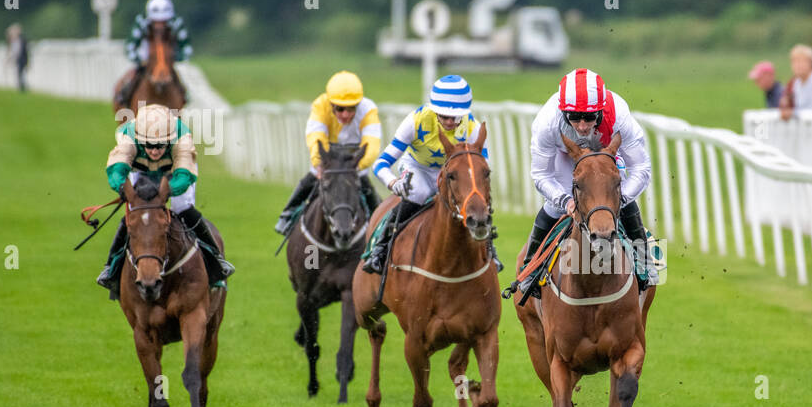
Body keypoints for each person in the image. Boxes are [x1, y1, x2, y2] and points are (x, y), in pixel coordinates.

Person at [510, 68, 658, 303]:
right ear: (563, 112)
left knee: (615, 195)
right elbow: (541, 174)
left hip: (605, 152)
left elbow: (641, 169)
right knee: (556, 207)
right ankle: (530, 268)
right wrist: (565, 201)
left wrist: (617, 198)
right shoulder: (547, 123)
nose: (581, 125)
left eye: (589, 117)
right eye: (574, 117)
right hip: (565, 155)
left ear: (601, 111)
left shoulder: (619, 116)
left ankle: (646, 262)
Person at [364, 74, 502, 274]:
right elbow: (381, 163)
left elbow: (483, 166)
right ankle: (380, 248)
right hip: (416, 167)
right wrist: (393, 183)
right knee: (418, 193)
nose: (448, 121)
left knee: (476, 199)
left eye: (454, 117)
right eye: (443, 116)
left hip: (450, 172)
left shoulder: (471, 126)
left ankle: (490, 248)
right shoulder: (415, 121)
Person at [97, 104, 234, 298]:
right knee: (135, 213)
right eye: (149, 145)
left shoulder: (182, 138)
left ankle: (215, 261)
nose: (154, 151)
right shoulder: (128, 138)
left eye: (160, 145)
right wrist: (121, 187)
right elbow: (116, 170)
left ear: (169, 140)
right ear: (139, 139)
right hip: (141, 171)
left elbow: (184, 176)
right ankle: (111, 268)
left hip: (174, 172)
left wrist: (166, 192)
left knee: (183, 207)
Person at [274, 70, 382, 234]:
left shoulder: (368, 109)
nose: (345, 114)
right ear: (331, 104)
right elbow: (315, 137)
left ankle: (382, 226)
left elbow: (372, 144)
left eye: (351, 108)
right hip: (328, 162)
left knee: (368, 189)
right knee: (308, 181)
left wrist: (357, 166)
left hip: (353, 165)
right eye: (339, 109)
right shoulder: (320, 105)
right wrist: (319, 164)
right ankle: (287, 215)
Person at [114, 0, 192, 111]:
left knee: (178, 81)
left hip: (167, 59)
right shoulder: (141, 22)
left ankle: (184, 96)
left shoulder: (176, 24)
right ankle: (124, 96)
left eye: (163, 21)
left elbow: (186, 48)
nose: (159, 24)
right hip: (146, 57)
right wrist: (139, 60)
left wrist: (174, 58)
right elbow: (130, 46)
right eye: (156, 21)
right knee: (133, 77)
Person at [6, 24, 29, 92]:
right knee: (19, 73)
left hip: (22, 59)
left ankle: (22, 88)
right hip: (18, 59)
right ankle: (21, 87)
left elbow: (23, 51)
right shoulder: (14, 40)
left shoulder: (22, 40)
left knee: (20, 73)